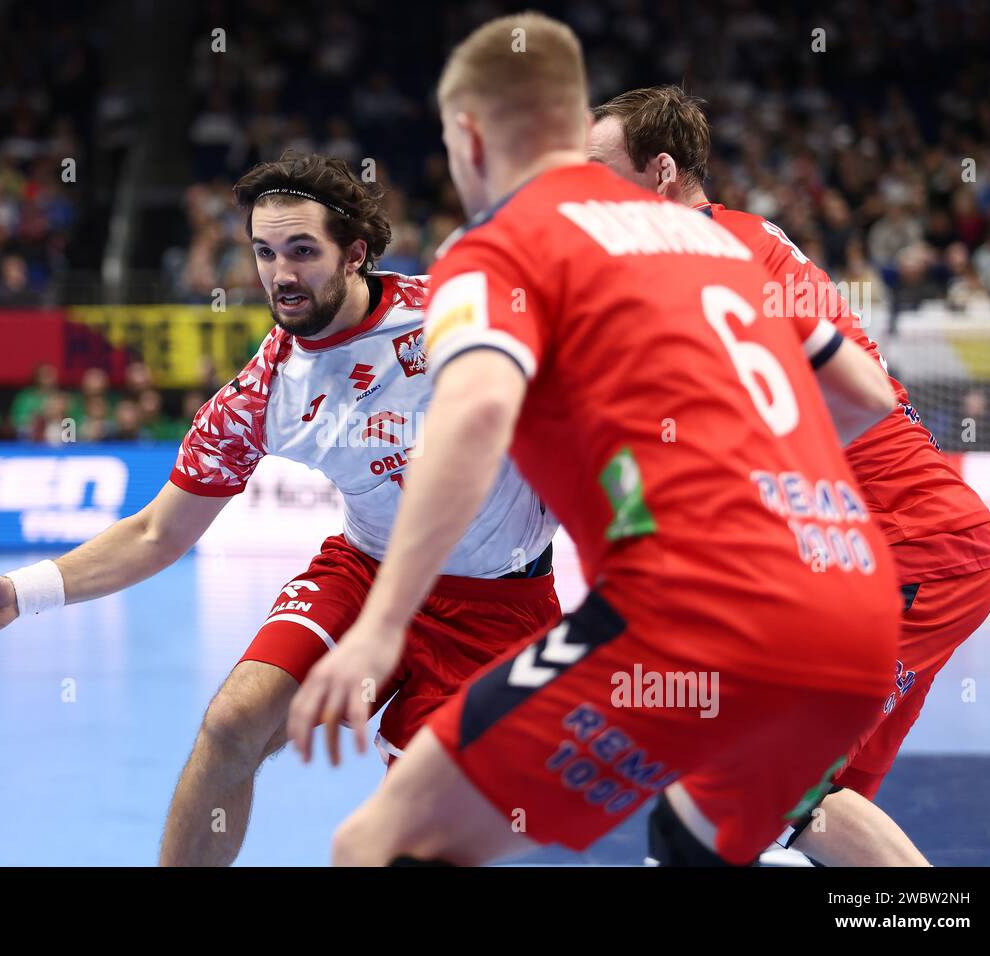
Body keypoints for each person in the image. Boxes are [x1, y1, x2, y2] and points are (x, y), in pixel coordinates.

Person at [288, 12, 902, 867]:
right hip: (857, 606)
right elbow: (866, 394)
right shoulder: (710, 234)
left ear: (467, 134)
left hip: (699, 613)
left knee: (380, 843)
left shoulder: (497, 247)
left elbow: (471, 418)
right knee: (690, 842)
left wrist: (381, 625)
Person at [0, 152, 560, 866]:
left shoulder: (457, 318)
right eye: (264, 252)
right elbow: (156, 534)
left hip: (500, 607)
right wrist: (16, 595)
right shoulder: (263, 393)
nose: (280, 273)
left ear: (355, 254)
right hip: (367, 575)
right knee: (232, 723)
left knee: (427, 832)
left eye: (303, 251)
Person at [586, 84, 990, 866]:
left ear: (663, 172)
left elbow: (858, 399)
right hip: (897, 549)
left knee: (771, 785)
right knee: (813, 804)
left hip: (910, 549)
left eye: (597, 170)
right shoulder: (733, 243)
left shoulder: (706, 260)